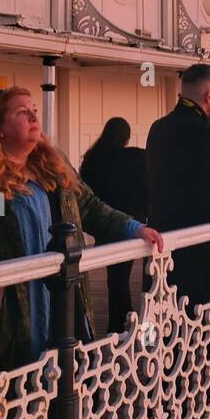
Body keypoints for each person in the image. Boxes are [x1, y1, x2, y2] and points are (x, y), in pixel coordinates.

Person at [0, 87, 163, 374]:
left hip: (65, 297)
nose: (34, 116)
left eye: (34, 109)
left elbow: (91, 208)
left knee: (66, 380)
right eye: (22, 112)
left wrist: (133, 228)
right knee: (21, 389)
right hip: (16, 309)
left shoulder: (52, 167)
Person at [147, 64, 210, 308]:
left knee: (165, 312)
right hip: (197, 244)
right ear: (209, 96)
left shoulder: (158, 127)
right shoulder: (204, 132)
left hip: (162, 235)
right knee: (197, 317)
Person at [79, 117, 150, 333]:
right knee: (127, 275)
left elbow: (87, 192)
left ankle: (116, 322)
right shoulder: (136, 157)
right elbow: (147, 187)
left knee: (115, 277)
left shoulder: (93, 158)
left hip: (104, 224)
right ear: (126, 137)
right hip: (128, 222)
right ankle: (127, 318)